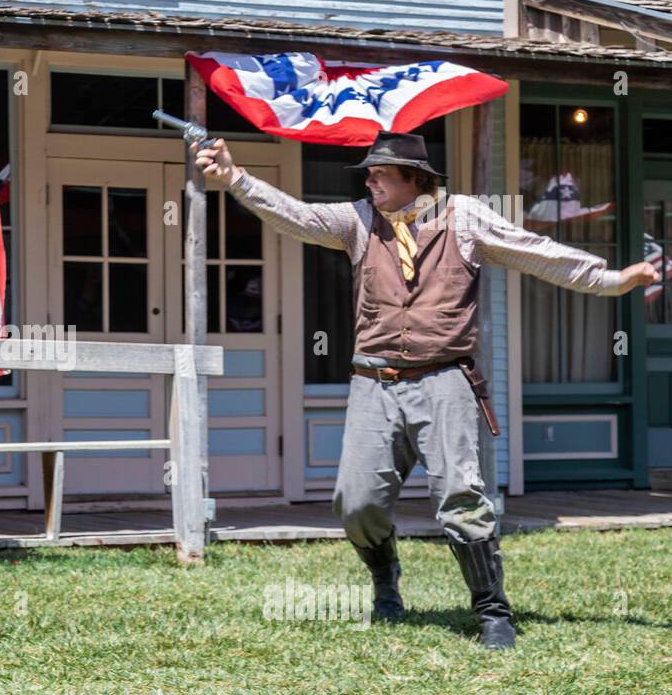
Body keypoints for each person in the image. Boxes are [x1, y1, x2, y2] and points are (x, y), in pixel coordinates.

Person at [195, 131, 657, 648]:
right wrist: (234, 179)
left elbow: (536, 251)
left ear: (416, 178)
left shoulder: (466, 218)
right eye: (368, 173)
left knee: (462, 497)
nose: (369, 180)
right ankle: (385, 578)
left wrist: (612, 280)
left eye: (380, 172)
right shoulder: (358, 221)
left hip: (445, 380)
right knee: (356, 503)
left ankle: (492, 612)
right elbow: (297, 216)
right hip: (373, 382)